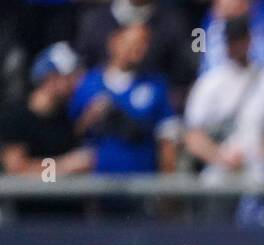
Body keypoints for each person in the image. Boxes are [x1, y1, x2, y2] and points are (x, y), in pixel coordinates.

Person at [183, 15, 264, 180]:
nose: (236, 46)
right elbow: (193, 136)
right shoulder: (209, 83)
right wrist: (221, 157)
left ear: (250, 39)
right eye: (232, 41)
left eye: (240, 39)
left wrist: (262, 154)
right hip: (220, 176)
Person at [69, 21, 180, 174]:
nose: (140, 48)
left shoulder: (155, 86)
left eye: (145, 43)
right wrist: (90, 117)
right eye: (134, 42)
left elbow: (167, 138)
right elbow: (71, 133)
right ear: (114, 42)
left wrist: (168, 185)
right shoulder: (88, 84)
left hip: (142, 180)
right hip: (97, 183)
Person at [0, 41, 92, 177]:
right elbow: (17, 168)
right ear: (50, 79)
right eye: (69, 77)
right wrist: (64, 166)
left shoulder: (67, 118)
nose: (76, 83)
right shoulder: (15, 119)